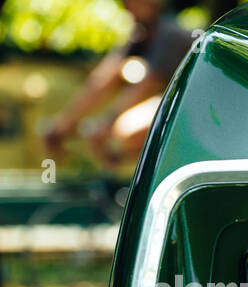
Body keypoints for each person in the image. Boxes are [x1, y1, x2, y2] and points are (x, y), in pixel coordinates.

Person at [42, 0, 195, 171]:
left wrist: (107, 124)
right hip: (170, 107)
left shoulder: (170, 33)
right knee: (115, 131)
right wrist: (63, 126)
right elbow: (104, 79)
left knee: (125, 131)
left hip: (192, 110)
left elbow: (149, 84)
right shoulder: (141, 35)